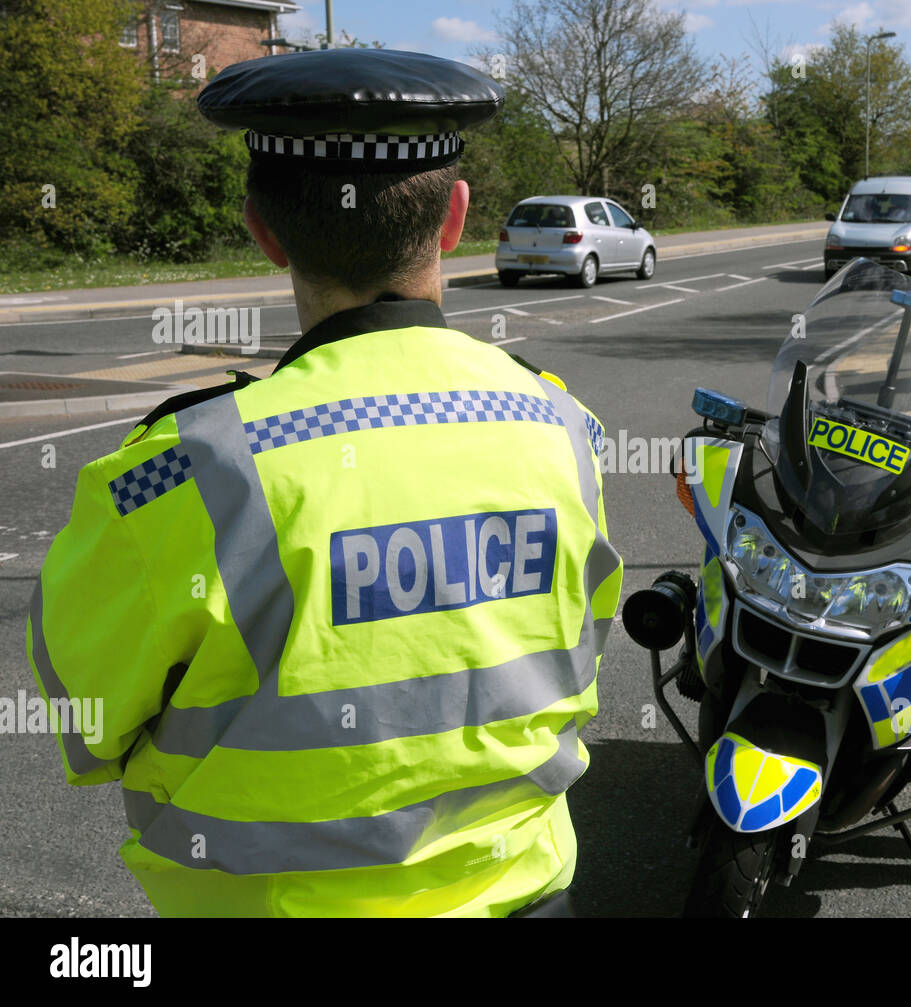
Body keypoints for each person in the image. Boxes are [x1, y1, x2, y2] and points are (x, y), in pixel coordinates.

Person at [25, 49, 622, 917]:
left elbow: (88, 724)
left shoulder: (175, 474)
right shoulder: (561, 426)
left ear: (263, 231)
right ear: (454, 218)